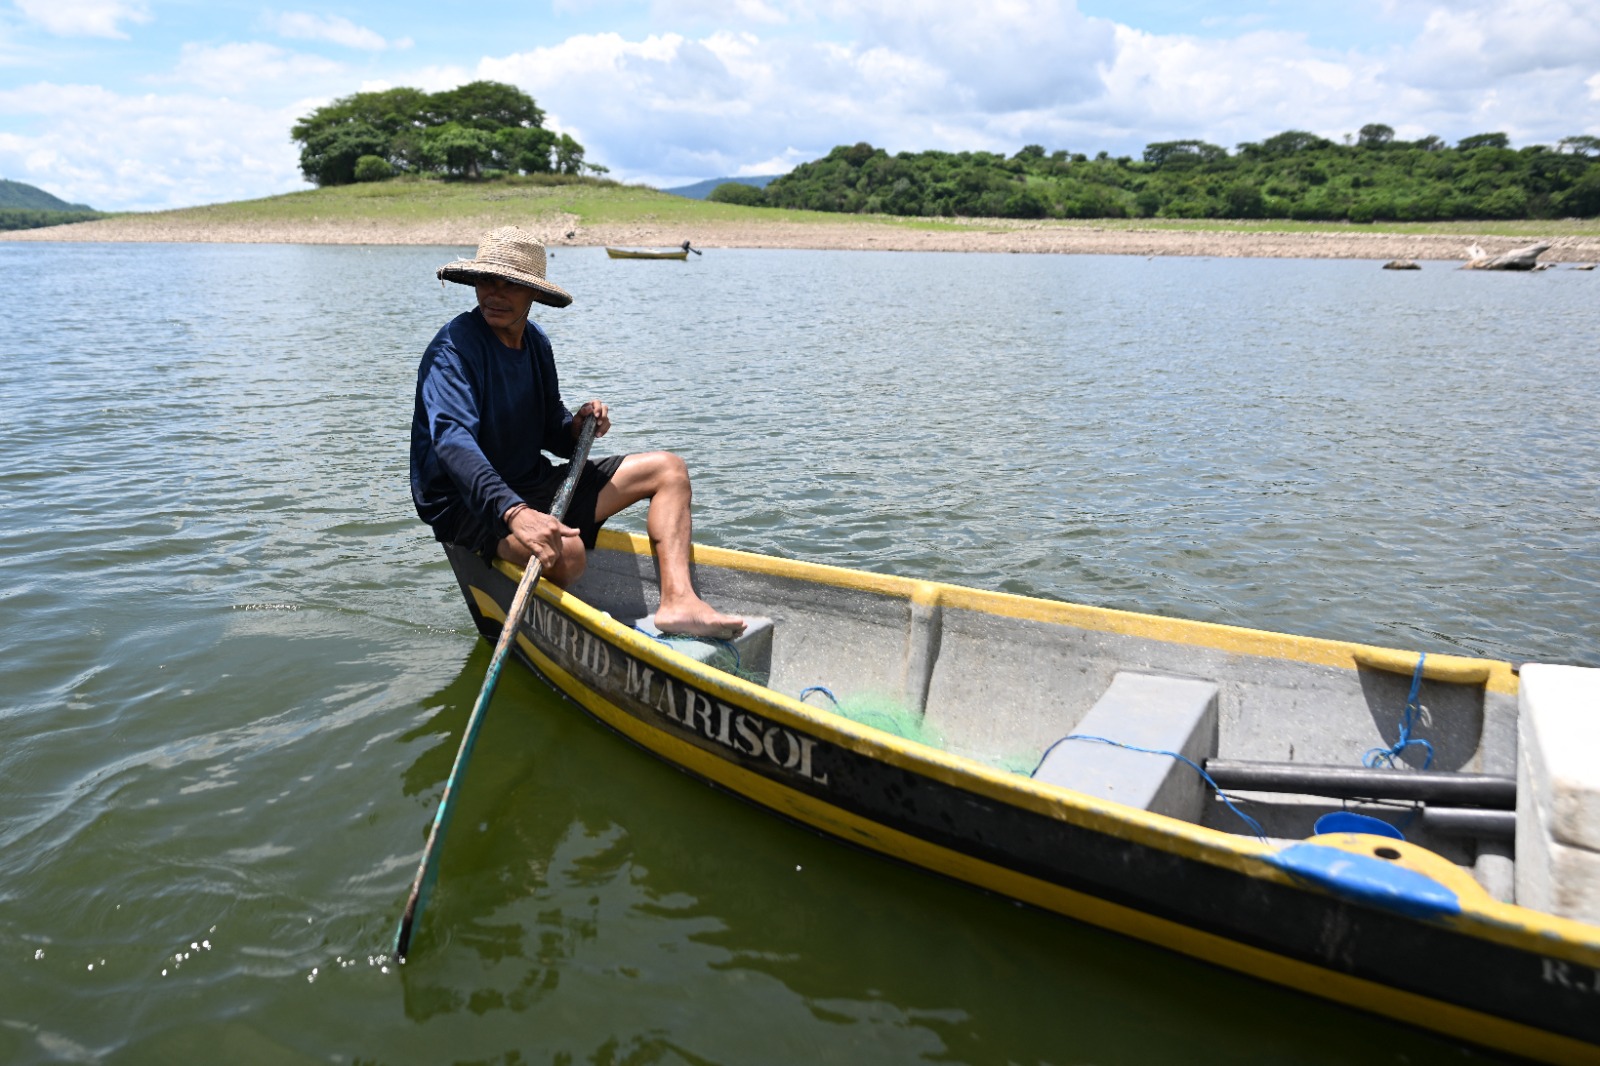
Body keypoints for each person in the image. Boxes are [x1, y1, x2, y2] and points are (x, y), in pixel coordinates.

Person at [410, 226, 744, 639]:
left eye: (508, 283)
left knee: (669, 470)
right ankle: (548, 620)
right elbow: (452, 441)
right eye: (485, 280)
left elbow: (550, 428)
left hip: (529, 483)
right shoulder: (453, 351)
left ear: (532, 293)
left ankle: (679, 602)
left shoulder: (535, 343)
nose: (493, 293)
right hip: (468, 502)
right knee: (567, 555)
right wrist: (514, 513)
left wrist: (577, 427)